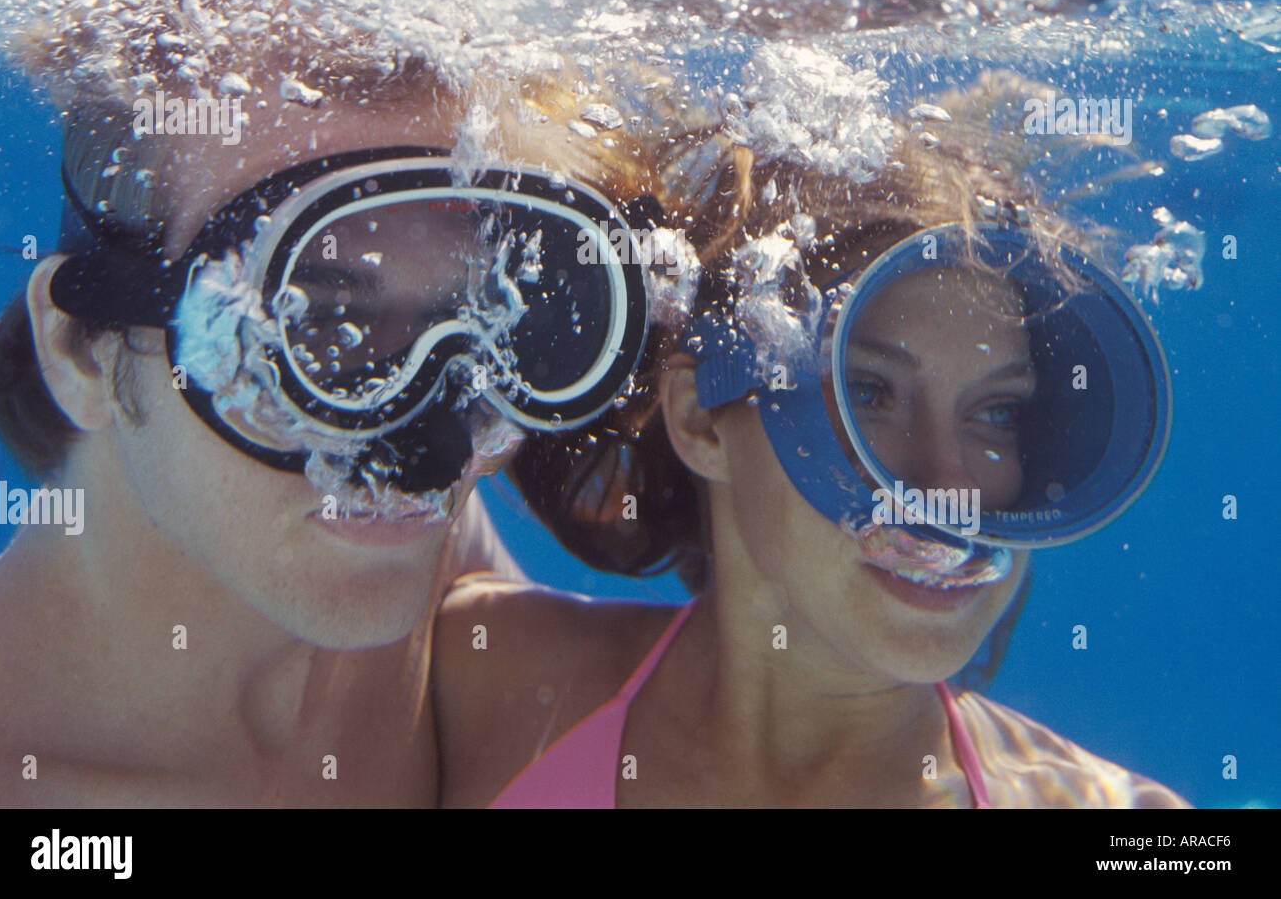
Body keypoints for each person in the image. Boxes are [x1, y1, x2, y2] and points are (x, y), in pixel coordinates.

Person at [0, 0, 668, 807]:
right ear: (82, 349)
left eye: (479, 319)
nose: (426, 451)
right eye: (318, 328)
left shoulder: (410, 550)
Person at [433, 90, 1191, 808]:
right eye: (868, 393)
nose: (948, 487)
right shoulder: (480, 679)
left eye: (996, 410)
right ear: (700, 418)